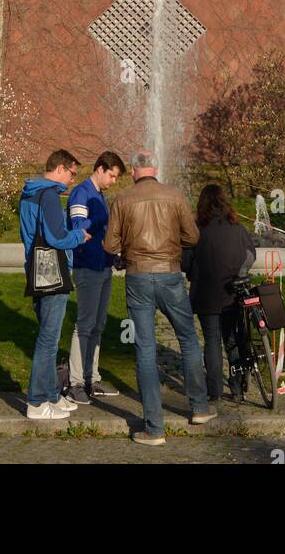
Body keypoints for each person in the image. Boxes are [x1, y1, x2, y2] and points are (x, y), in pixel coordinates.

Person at [103, 151, 214, 445]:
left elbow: (110, 244)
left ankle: (154, 428)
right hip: (170, 274)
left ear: (133, 172)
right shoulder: (174, 197)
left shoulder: (122, 200)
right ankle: (199, 408)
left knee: (145, 348)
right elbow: (193, 237)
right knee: (188, 339)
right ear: (156, 169)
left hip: (138, 276)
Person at [19, 149, 91, 420]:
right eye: (72, 173)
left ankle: (50, 394)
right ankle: (37, 402)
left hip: (35, 269)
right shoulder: (49, 195)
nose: (73, 179)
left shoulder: (29, 192)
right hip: (52, 273)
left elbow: (30, 234)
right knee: (48, 339)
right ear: (60, 168)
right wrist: (79, 236)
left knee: (48, 336)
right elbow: (56, 237)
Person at [183, 184, 255, 402]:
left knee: (212, 340)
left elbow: (185, 261)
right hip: (233, 291)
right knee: (232, 338)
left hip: (206, 293)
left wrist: (193, 273)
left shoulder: (196, 230)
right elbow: (250, 255)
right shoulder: (238, 228)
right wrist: (238, 273)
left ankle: (214, 390)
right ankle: (236, 388)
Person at [66, 150, 127, 404]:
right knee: (85, 324)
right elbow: (78, 225)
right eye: (112, 176)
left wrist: (113, 255)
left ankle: (92, 377)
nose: (113, 181)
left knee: (98, 324)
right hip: (88, 267)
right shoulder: (82, 193)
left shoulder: (99, 196)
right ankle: (76, 382)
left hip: (102, 266)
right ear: (100, 169)